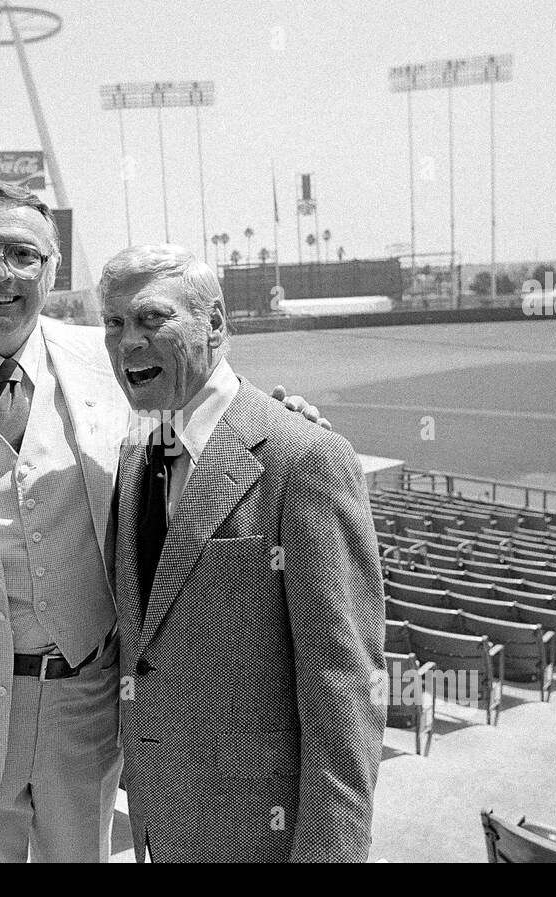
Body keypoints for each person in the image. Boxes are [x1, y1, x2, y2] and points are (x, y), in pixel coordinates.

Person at [0, 185, 327, 862]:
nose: (0, 275)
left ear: (52, 270)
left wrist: (279, 417)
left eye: (22, 255)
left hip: (87, 700)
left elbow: (200, 414)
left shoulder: (111, 359)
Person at [100, 243, 386, 863]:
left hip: (262, 836)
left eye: (152, 319)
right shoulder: (135, 454)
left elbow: (343, 689)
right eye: (114, 323)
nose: (128, 342)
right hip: (166, 825)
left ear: (217, 325)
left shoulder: (303, 457)